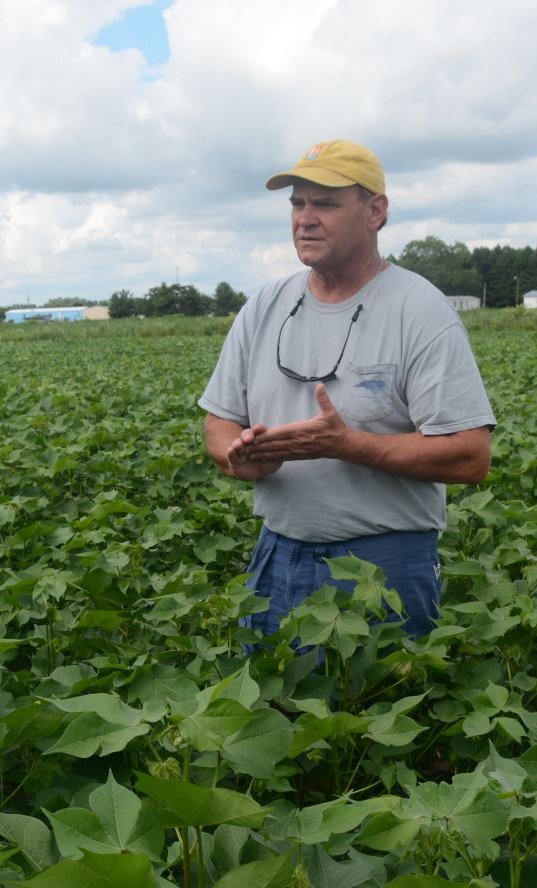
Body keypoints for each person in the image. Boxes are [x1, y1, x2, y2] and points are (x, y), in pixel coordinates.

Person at [199, 139, 495, 638]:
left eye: (326, 203)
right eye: (298, 203)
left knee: (372, 713)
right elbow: (218, 419)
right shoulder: (264, 305)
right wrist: (238, 455)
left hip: (383, 565)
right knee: (273, 709)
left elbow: (470, 456)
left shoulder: (418, 309)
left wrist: (347, 445)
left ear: (375, 211)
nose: (305, 218)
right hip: (277, 555)